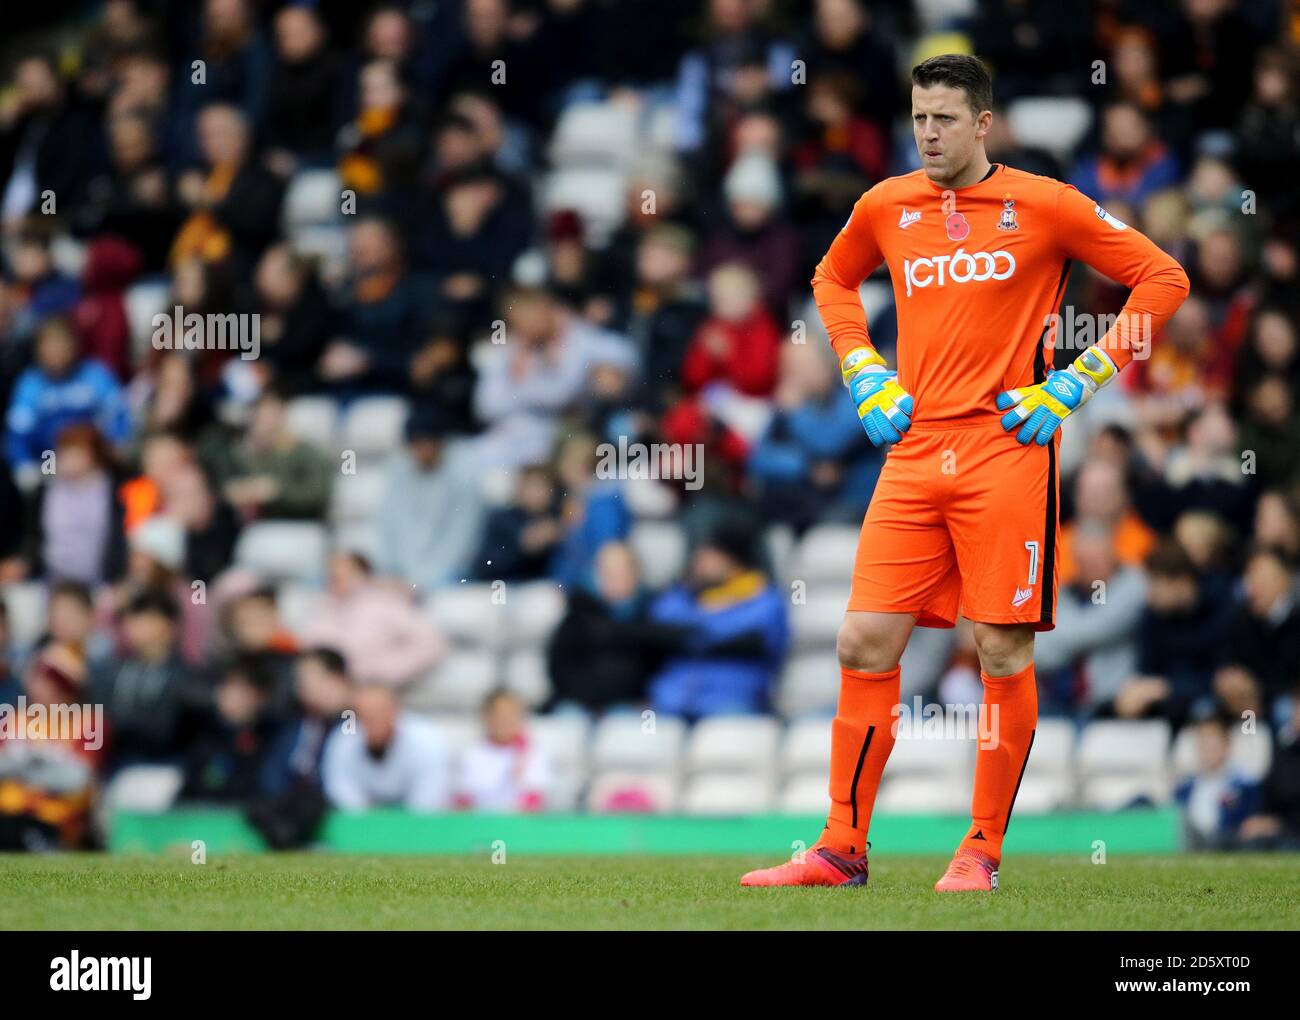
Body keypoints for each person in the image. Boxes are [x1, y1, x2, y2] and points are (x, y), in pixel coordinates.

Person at [741, 54, 1190, 891]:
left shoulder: (1045, 205)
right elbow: (832, 280)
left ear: (983, 124)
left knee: (1001, 649)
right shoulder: (886, 204)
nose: (928, 134)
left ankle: (980, 850)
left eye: (945, 119)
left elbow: (1163, 278)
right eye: (918, 118)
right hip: (913, 451)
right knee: (862, 640)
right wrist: (864, 371)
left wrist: (1076, 382)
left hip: (1005, 448)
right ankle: (841, 848)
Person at [321, 683, 450, 810]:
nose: (373, 720)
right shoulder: (343, 740)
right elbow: (341, 789)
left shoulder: (426, 742)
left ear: (395, 711)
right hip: (364, 825)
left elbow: (427, 802)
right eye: (365, 715)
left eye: (379, 712)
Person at [453, 689, 551, 811]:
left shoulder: (533, 753)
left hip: (518, 824)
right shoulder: (471, 754)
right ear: (486, 717)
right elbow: (463, 801)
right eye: (500, 716)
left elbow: (535, 800)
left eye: (512, 716)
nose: (506, 722)